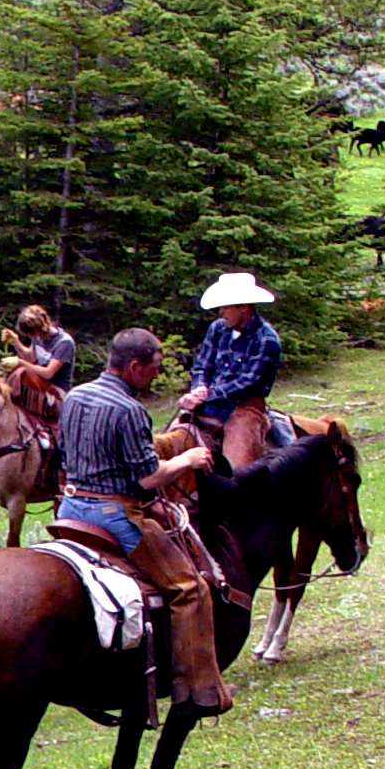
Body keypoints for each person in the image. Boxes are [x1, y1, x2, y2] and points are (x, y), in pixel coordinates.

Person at [57, 327, 233, 712]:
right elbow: (148, 478)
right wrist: (186, 460)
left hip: (69, 510)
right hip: (115, 515)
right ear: (133, 367)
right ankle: (199, 688)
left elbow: (64, 453)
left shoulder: (74, 396)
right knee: (190, 588)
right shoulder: (129, 410)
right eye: (152, 369)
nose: (155, 376)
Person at [175, 272, 284, 471]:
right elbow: (202, 365)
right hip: (211, 402)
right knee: (171, 441)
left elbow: (247, 383)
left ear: (243, 308)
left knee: (237, 469)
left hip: (245, 407)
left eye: (226, 307)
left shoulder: (267, 339)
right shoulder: (217, 329)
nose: (221, 312)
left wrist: (207, 395)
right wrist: (199, 388)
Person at [0, 304, 77, 409]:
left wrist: (20, 363)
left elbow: (48, 373)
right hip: (38, 383)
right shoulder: (38, 336)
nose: (33, 337)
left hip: (56, 389)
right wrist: (16, 343)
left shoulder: (64, 343)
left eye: (32, 334)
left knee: (21, 372)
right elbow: (31, 358)